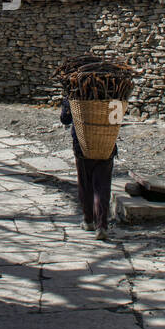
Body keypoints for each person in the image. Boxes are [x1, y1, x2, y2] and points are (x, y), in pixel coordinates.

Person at [60, 96, 116, 240]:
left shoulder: (74, 94)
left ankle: (88, 220)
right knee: (102, 186)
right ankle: (101, 226)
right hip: (106, 145)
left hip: (82, 146)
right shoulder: (115, 93)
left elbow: (64, 119)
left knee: (85, 185)